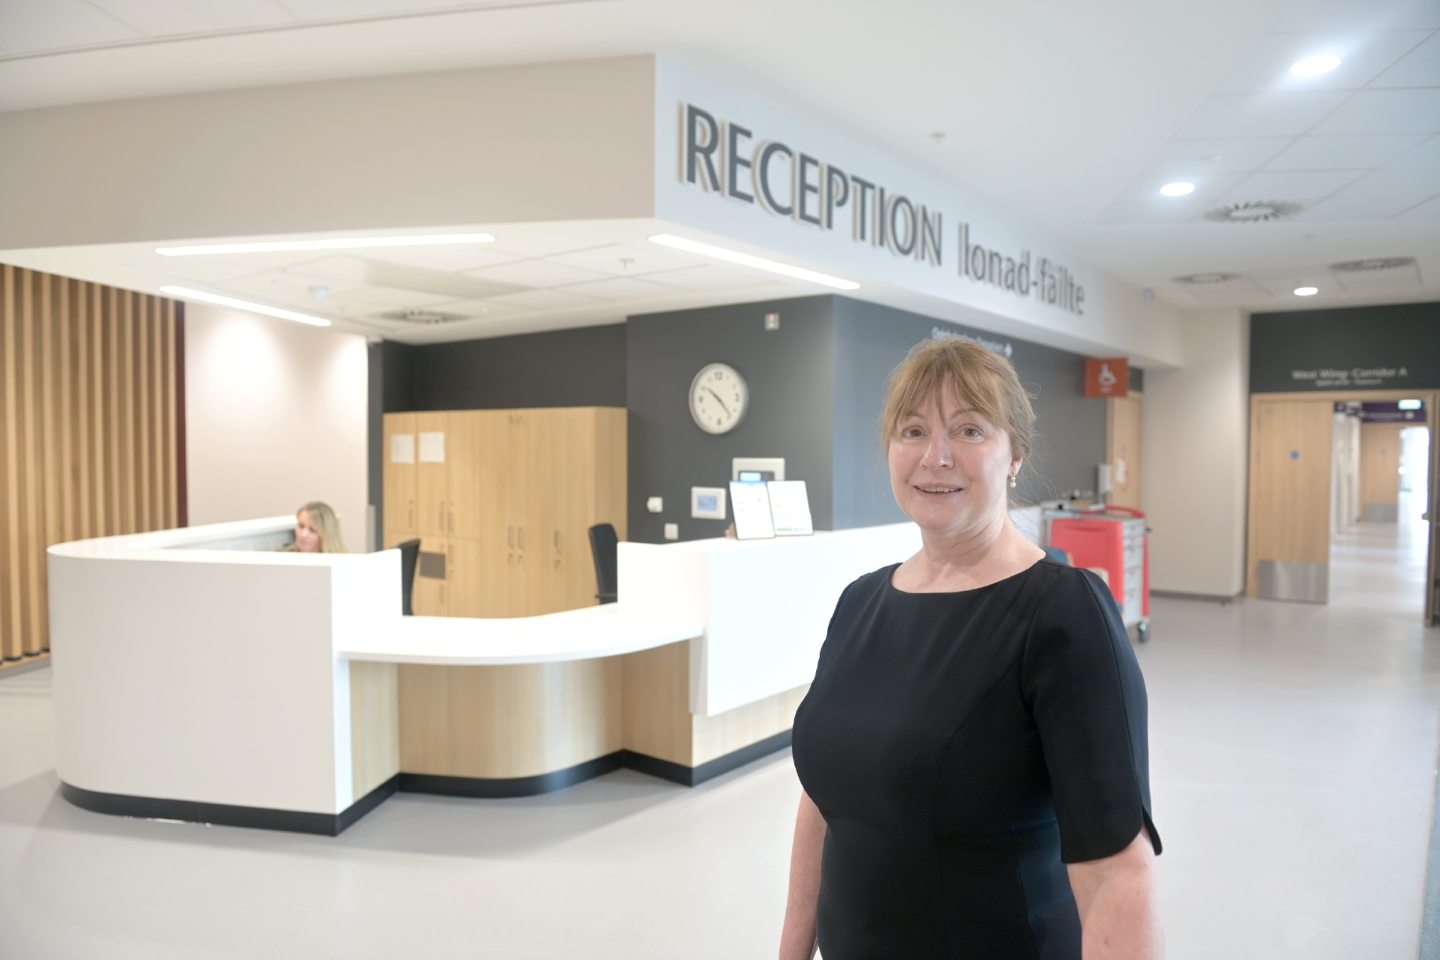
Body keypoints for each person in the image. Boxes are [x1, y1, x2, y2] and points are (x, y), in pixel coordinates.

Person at [782, 336, 1162, 960]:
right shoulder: (859, 603)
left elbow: (1115, 873)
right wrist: (792, 951)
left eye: (969, 430)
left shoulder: (1063, 613)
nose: (935, 457)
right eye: (913, 431)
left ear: (1015, 456)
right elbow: (824, 799)